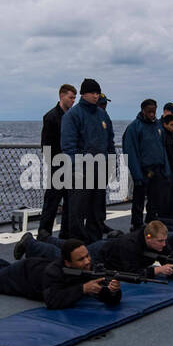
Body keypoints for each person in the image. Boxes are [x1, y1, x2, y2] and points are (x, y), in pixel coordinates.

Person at [16, 222, 173, 281]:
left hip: (108, 247)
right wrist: (157, 270)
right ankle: (30, 242)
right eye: (160, 241)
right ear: (148, 238)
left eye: (164, 241)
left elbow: (169, 257)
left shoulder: (158, 241)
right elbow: (129, 271)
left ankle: (46, 238)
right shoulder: (130, 245)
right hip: (100, 255)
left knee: (75, 245)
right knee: (63, 256)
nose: (164, 244)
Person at [60, 79, 115, 243]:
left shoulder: (103, 115)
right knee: (77, 211)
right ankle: (76, 246)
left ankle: (95, 243)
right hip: (81, 172)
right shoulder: (73, 115)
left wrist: (111, 164)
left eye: (98, 93)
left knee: (97, 211)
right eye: (93, 92)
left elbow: (109, 141)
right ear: (84, 94)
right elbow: (69, 146)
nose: (96, 96)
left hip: (100, 169)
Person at [123, 99, 171, 228]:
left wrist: (166, 169)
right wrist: (137, 174)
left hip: (158, 168)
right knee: (139, 198)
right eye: (149, 111)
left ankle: (152, 220)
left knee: (155, 197)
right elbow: (130, 152)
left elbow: (162, 148)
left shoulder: (158, 126)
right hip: (143, 169)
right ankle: (136, 223)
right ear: (143, 110)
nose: (152, 114)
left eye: (154, 112)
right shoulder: (134, 127)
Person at [38, 84, 78, 239]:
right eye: (71, 97)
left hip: (71, 165)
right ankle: (43, 235)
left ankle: (65, 236)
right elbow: (46, 144)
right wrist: (54, 165)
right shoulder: (51, 117)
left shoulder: (72, 117)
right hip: (58, 165)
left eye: (74, 98)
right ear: (62, 96)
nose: (73, 101)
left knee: (70, 203)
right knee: (52, 203)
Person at [42, 239, 123, 309]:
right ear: (68, 263)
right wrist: (83, 288)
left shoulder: (89, 267)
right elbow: (52, 301)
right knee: (47, 250)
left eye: (87, 256)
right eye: (81, 259)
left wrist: (114, 291)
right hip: (32, 273)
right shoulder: (53, 272)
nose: (87, 261)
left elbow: (110, 298)